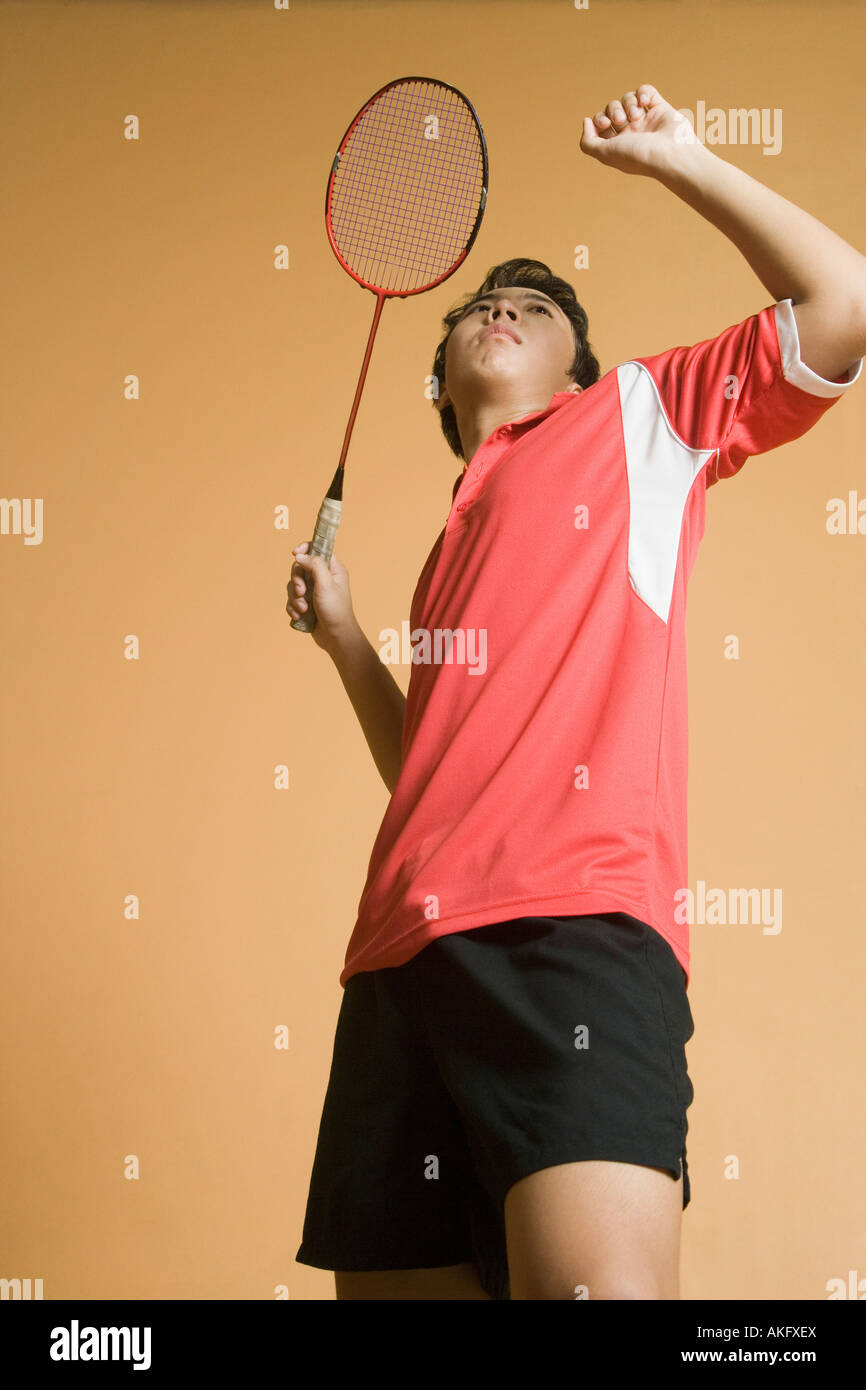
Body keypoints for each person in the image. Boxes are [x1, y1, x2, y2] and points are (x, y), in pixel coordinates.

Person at [287, 85, 865, 1300]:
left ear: (576, 364)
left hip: (574, 938)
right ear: (440, 388)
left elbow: (843, 301)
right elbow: (431, 777)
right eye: (477, 306)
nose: (499, 305)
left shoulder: (640, 422)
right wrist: (348, 641)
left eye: (535, 304)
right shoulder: (449, 541)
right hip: (396, 960)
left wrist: (682, 160)